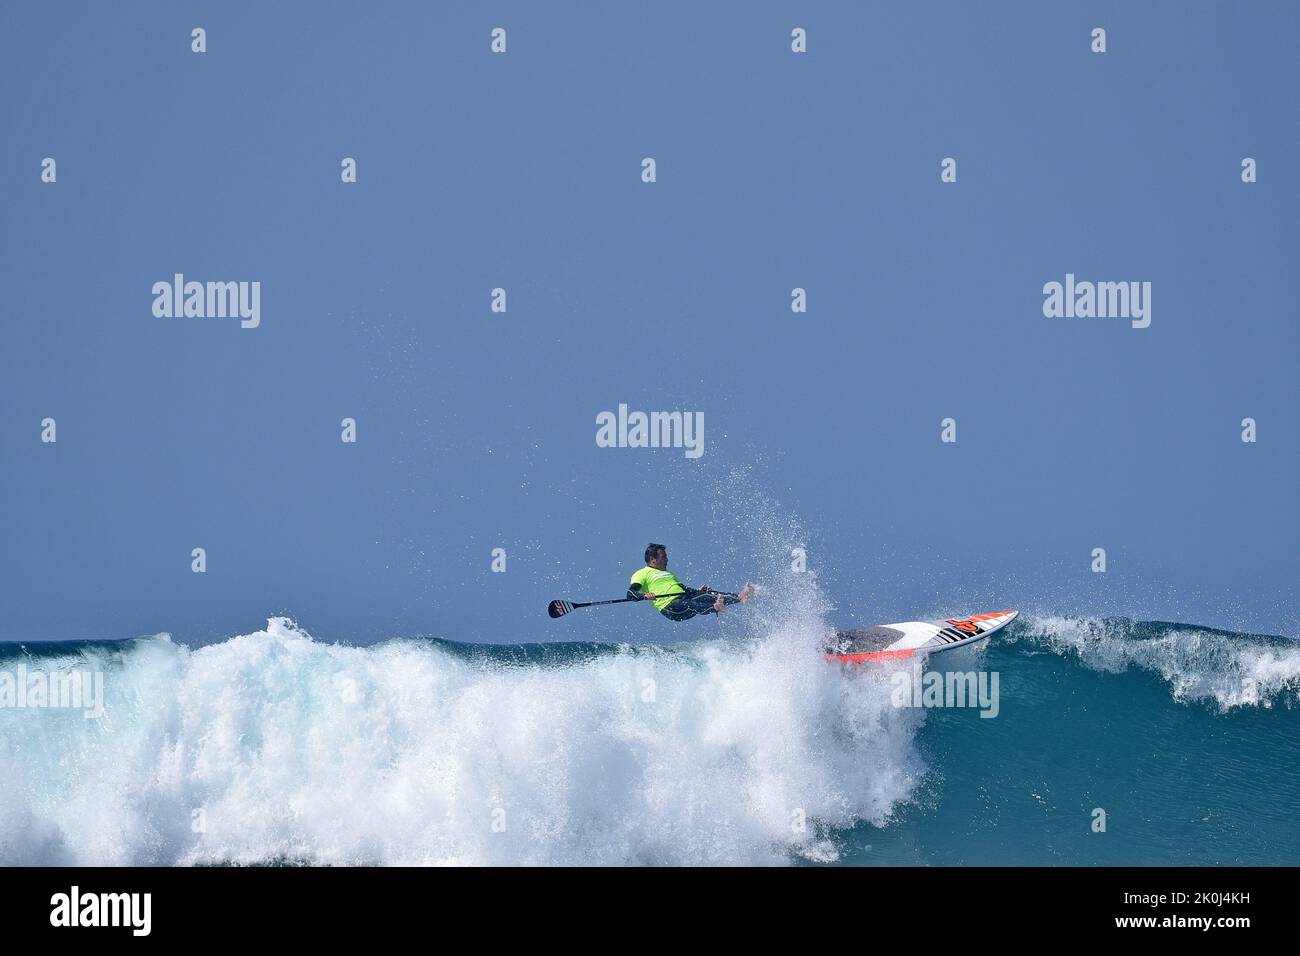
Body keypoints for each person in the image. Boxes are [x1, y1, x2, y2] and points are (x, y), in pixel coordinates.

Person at [628, 543, 754, 622]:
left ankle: (739, 597)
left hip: (683, 597)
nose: (667, 559)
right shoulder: (641, 574)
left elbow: (684, 589)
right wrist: (644, 595)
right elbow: (630, 594)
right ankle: (715, 607)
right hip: (671, 607)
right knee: (690, 603)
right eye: (663, 557)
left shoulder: (668, 573)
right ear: (652, 559)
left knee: (707, 595)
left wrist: (699, 591)